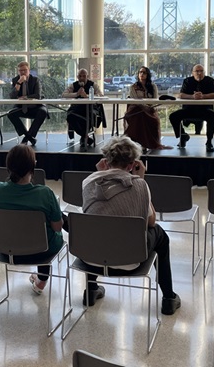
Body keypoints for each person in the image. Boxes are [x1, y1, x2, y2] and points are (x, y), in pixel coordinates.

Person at [79, 135, 180, 314]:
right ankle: (169, 298)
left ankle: (91, 289)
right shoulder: (140, 185)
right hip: (130, 259)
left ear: (106, 159)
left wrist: (98, 173)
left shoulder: (88, 182)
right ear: (133, 163)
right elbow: (150, 221)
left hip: (90, 258)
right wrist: (141, 179)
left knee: (96, 228)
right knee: (160, 234)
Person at [0, 144, 63, 295]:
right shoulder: (45, 194)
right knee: (52, 234)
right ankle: (41, 280)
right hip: (40, 251)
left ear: (8, 166)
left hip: (4, 249)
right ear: (33, 166)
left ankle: (39, 279)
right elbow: (57, 227)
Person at [169, 64, 214, 152]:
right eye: (197, 71)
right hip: (189, 109)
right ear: (193, 73)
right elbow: (181, 95)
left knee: (213, 116)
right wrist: (192, 96)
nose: (199, 73)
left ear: (204, 72)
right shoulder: (187, 81)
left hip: (205, 109)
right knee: (173, 116)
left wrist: (203, 96)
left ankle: (209, 142)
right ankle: (183, 135)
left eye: (201, 71)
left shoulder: (210, 80)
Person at [124, 66, 172, 152]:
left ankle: (149, 143)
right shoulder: (133, 87)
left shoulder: (153, 86)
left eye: (144, 72)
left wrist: (148, 107)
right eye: (140, 72)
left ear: (148, 75)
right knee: (141, 115)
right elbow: (135, 101)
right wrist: (144, 106)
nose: (142, 74)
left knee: (152, 119)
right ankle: (141, 143)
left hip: (150, 109)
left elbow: (155, 100)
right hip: (136, 110)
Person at [7, 61, 47, 146]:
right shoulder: (15, 80)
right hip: (22, 107)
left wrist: (24, 98)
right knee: (10, 114)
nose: (22, 72)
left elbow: (38, 95)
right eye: (20, 70)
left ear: (29, 70)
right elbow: (12, 97)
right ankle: (29, 137)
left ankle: (27, 138)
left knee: (43, 112)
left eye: (25, 70)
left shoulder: (35, 80)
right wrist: (19, 83)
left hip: (35, 107)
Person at [63, 68, 103, 150]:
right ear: (77, 77)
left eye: (84, 76)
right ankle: (85, 136)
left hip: (90, 108)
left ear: (87, 76)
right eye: (80, 76)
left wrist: (88, 96)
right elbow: (64, 94)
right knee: (70, 116)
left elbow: (101, 95)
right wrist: (76, 94)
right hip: (77, 108)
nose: (82, 78)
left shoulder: (93, 85)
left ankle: (84, 137)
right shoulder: (73, 85)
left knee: (89, 116)